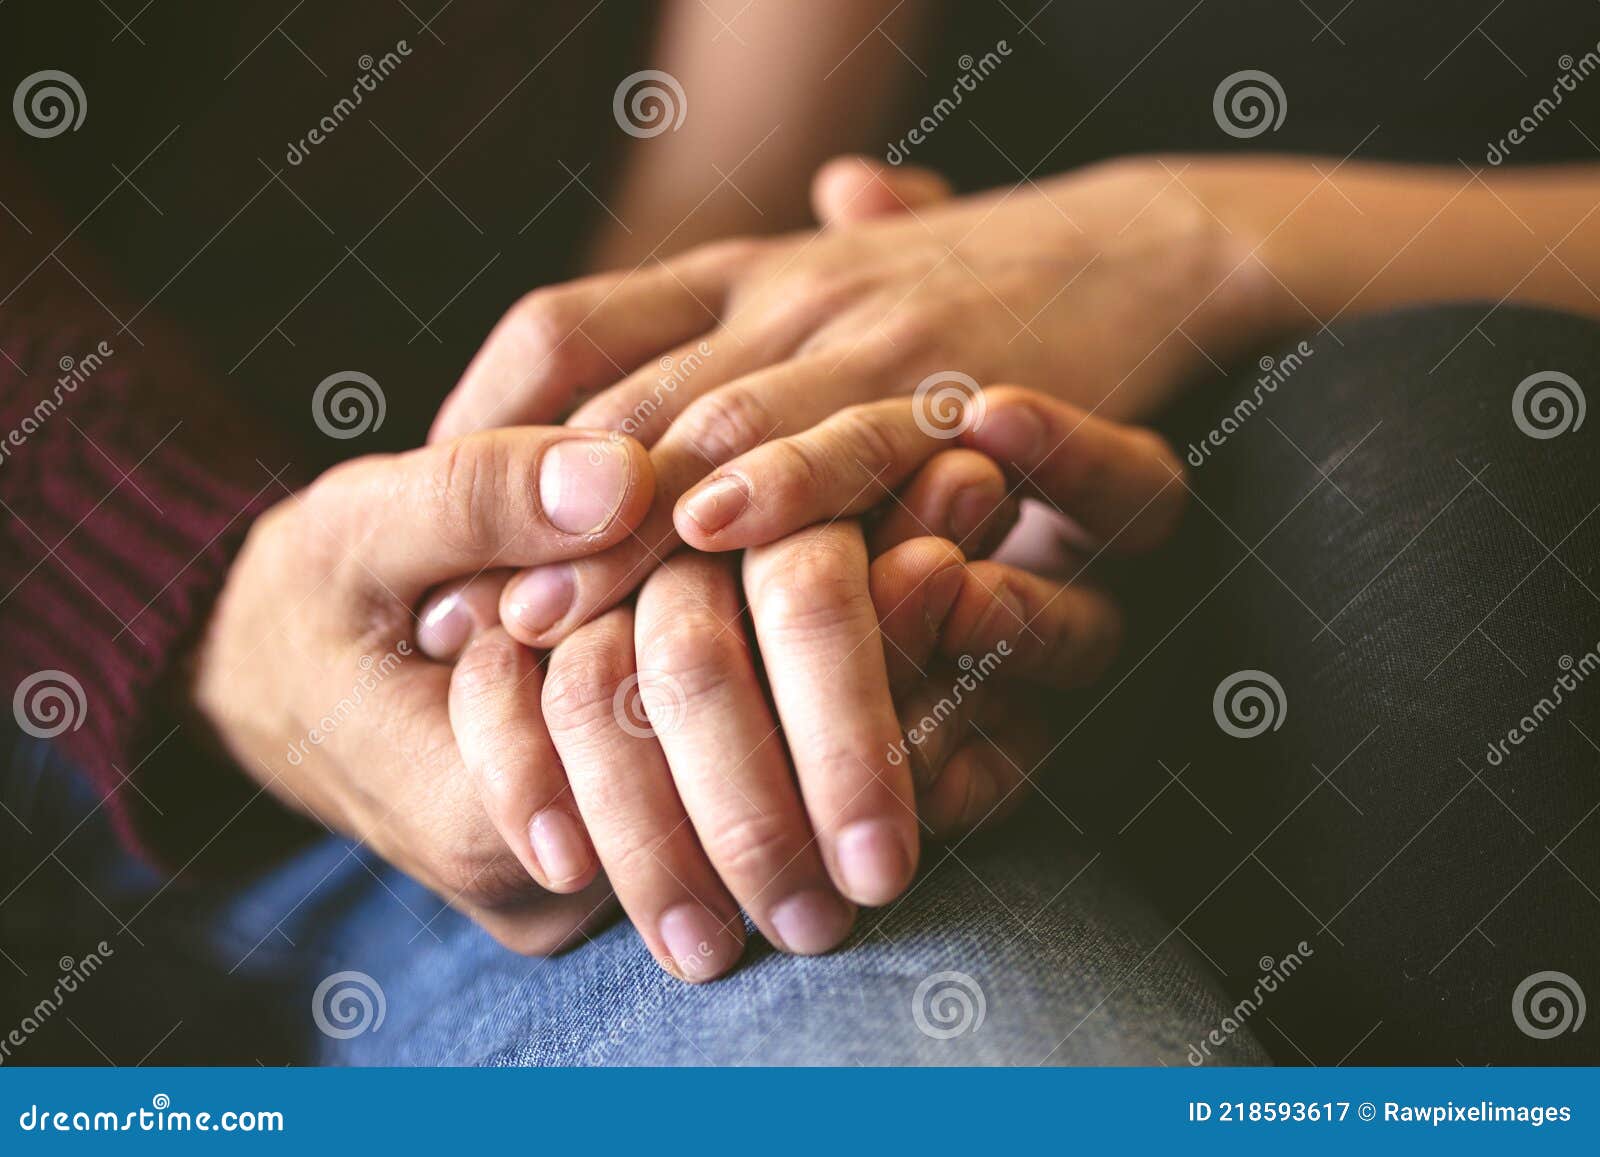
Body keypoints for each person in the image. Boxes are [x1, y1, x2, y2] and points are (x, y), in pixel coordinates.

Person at [3, 1, 1598, 1065]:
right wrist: (209, 600)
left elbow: (696, 245)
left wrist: (1183, 237)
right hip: (204, 640)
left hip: (617, 656)